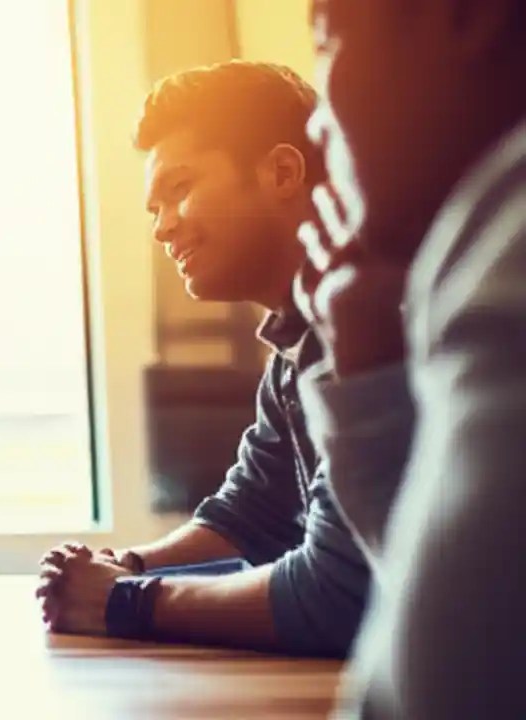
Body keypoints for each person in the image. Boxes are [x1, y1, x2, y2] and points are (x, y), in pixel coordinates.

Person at [37, 61, 370, 656]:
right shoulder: (296, 348)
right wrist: (127, 564)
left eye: (180, 189)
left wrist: (122, 600)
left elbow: (337, 594)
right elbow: (249, 515)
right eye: (153, 209)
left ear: (282, 171)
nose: (162, 229)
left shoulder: (373, 327)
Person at [294, 1, 526, 716]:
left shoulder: (509, 245)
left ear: (467, 13)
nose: (314, 123)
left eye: (328, 39)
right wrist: (370, 366)